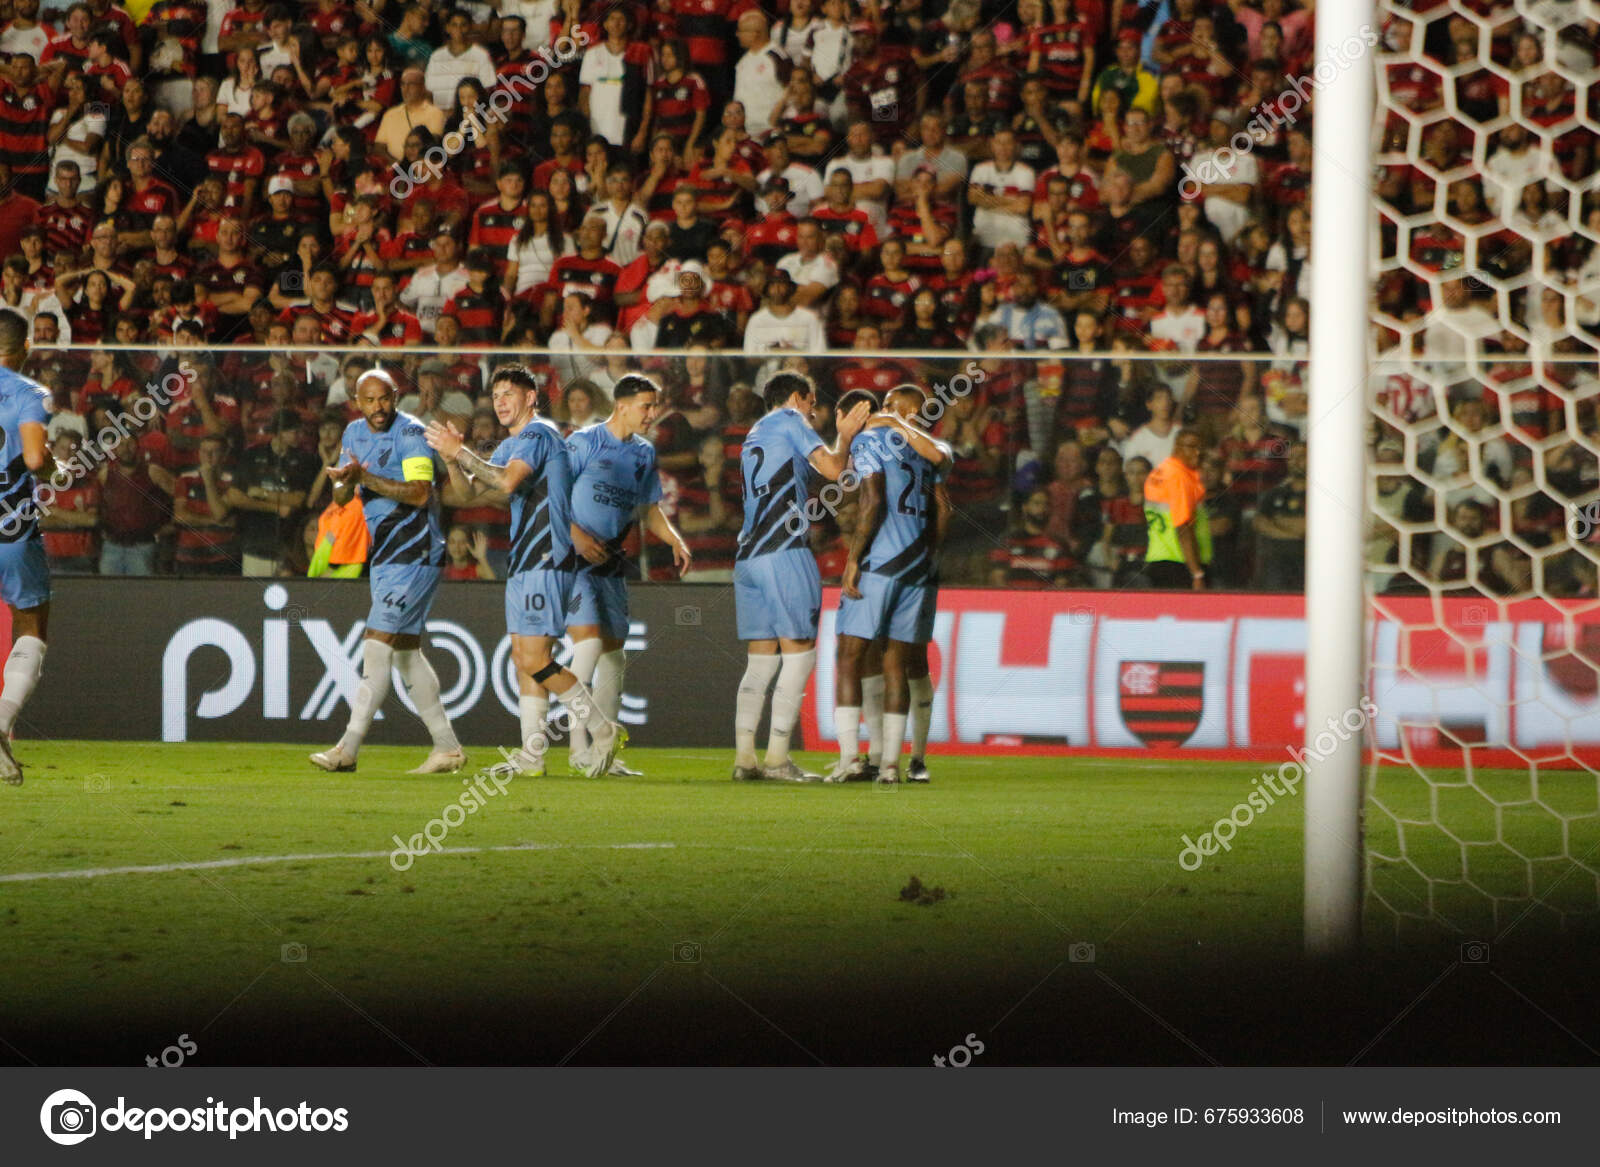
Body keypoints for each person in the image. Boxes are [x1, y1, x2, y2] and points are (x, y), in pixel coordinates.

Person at [426, 364, 623, 779]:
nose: (499, 401)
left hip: (547, 560)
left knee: (535, 656)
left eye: (508, 394)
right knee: (524, 659)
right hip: (525, 563)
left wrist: (461, 453)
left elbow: (507, 484)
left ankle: (602, 729)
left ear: (531, 398)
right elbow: (467, 493)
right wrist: (452, 461)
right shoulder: (513, 444)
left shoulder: (538, 434)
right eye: (495, 395)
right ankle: (532, 756)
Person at [310, 370, 467, 775]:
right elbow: (345, 494)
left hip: (416, 552)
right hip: (386, 556)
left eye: (384, 399)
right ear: (356, 402)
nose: (378, 408)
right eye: (369, 401)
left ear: (395, 396)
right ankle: (447, 748)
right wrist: (344, 483)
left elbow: (418, 493)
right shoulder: (353, 434)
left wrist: (365, 478)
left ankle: (348, 748)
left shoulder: (410, 433)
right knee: (405, 653)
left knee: (376, 647)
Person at [731, 370, 870, 781]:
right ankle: (776, 757)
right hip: (783, 552)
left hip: (748, 555)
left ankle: (744, 759)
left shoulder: (755, 431)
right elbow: (830, 467)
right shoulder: (791, 421)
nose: (815, 412)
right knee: (799, 653)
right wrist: (844, 436)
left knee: (759, 663)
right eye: (812, 402)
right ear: (796, 398)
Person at [563, 373, 692, 777]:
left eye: (654, 406)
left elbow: (650, 509)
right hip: (574, 557)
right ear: (622, 406)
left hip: (614, 559)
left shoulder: (644, 453)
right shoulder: (582, 442)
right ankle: (576, 746)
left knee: (614, 654)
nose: (652, 414)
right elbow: (551, 498)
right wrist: (577, 535)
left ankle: (606, 753)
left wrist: (674, 540)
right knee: (586, 647)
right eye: (646, 406)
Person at [830, 385, 950, 785]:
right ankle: (892, 765)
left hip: (881, 561)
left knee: (849, 653)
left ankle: (850, 759)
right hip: (919, 569)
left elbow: (872, 499)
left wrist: (853, 559)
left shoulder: (872, 439)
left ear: (894, 411)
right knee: (898, 661)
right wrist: (928, 554)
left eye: (886, 407)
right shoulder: (928, 451)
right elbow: (942, 506)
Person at [0, 309, 54, 783]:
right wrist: (53, 468)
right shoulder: (29, 394)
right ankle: (0, 726)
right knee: (31, 626)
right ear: (25, 350)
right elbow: (35, 458)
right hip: (12, 528)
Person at [1141, 427, 1208, 589]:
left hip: (1157, 555)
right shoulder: (1179, 477)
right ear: (1177, 447)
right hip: (1179, 562)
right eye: (1191, 447)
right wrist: (1196, 573)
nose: (1197, 453)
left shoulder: (1161, 471)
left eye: (1200, 448)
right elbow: (1183, 528)